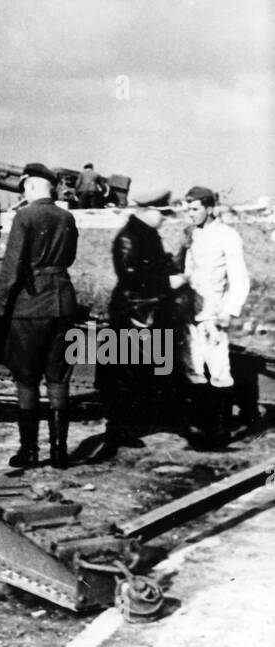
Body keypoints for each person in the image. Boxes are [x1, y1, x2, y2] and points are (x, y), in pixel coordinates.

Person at [0, 162, 79, 469]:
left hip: (31, 307)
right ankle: (59, 453)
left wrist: (0, 306)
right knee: (58, 379)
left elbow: (12, 266)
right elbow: (69, 257)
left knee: (26, 379)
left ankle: (29, 452)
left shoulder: (25, 216)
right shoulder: (67, 217)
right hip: (64, 303)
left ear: (30, 187)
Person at [94, 190, 185, 457]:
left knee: (138, 374)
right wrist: (168, 282)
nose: (165, 219)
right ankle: (119, 430)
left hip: (148, 313)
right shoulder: (129, 237)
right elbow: (131, 276)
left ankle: (129, 427)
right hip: (134, 315)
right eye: (163, 213)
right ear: (148, 211)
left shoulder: (145, 234)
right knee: (125, 376)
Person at [178, 185, 250, 449]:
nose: (191, 215)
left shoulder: (227, 236)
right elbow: (186, 271)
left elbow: (239, 277)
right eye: (188, 210)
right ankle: (199, 431)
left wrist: (230, 310)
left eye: (195, 209)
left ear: (210, 208)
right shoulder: (190, 234)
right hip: (190, 315)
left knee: (219, 370)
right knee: (193, 370)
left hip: (214, 314)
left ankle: (220, 432)